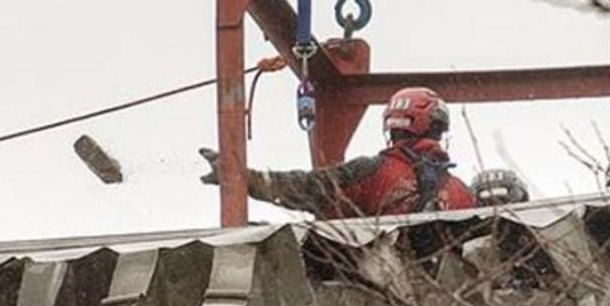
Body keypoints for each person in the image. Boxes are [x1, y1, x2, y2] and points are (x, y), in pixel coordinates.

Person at [199, 87, 476, 218]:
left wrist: (242, 178)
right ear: (439, 127)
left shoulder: (373, 172)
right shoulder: (462, 194)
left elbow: (305, 189)